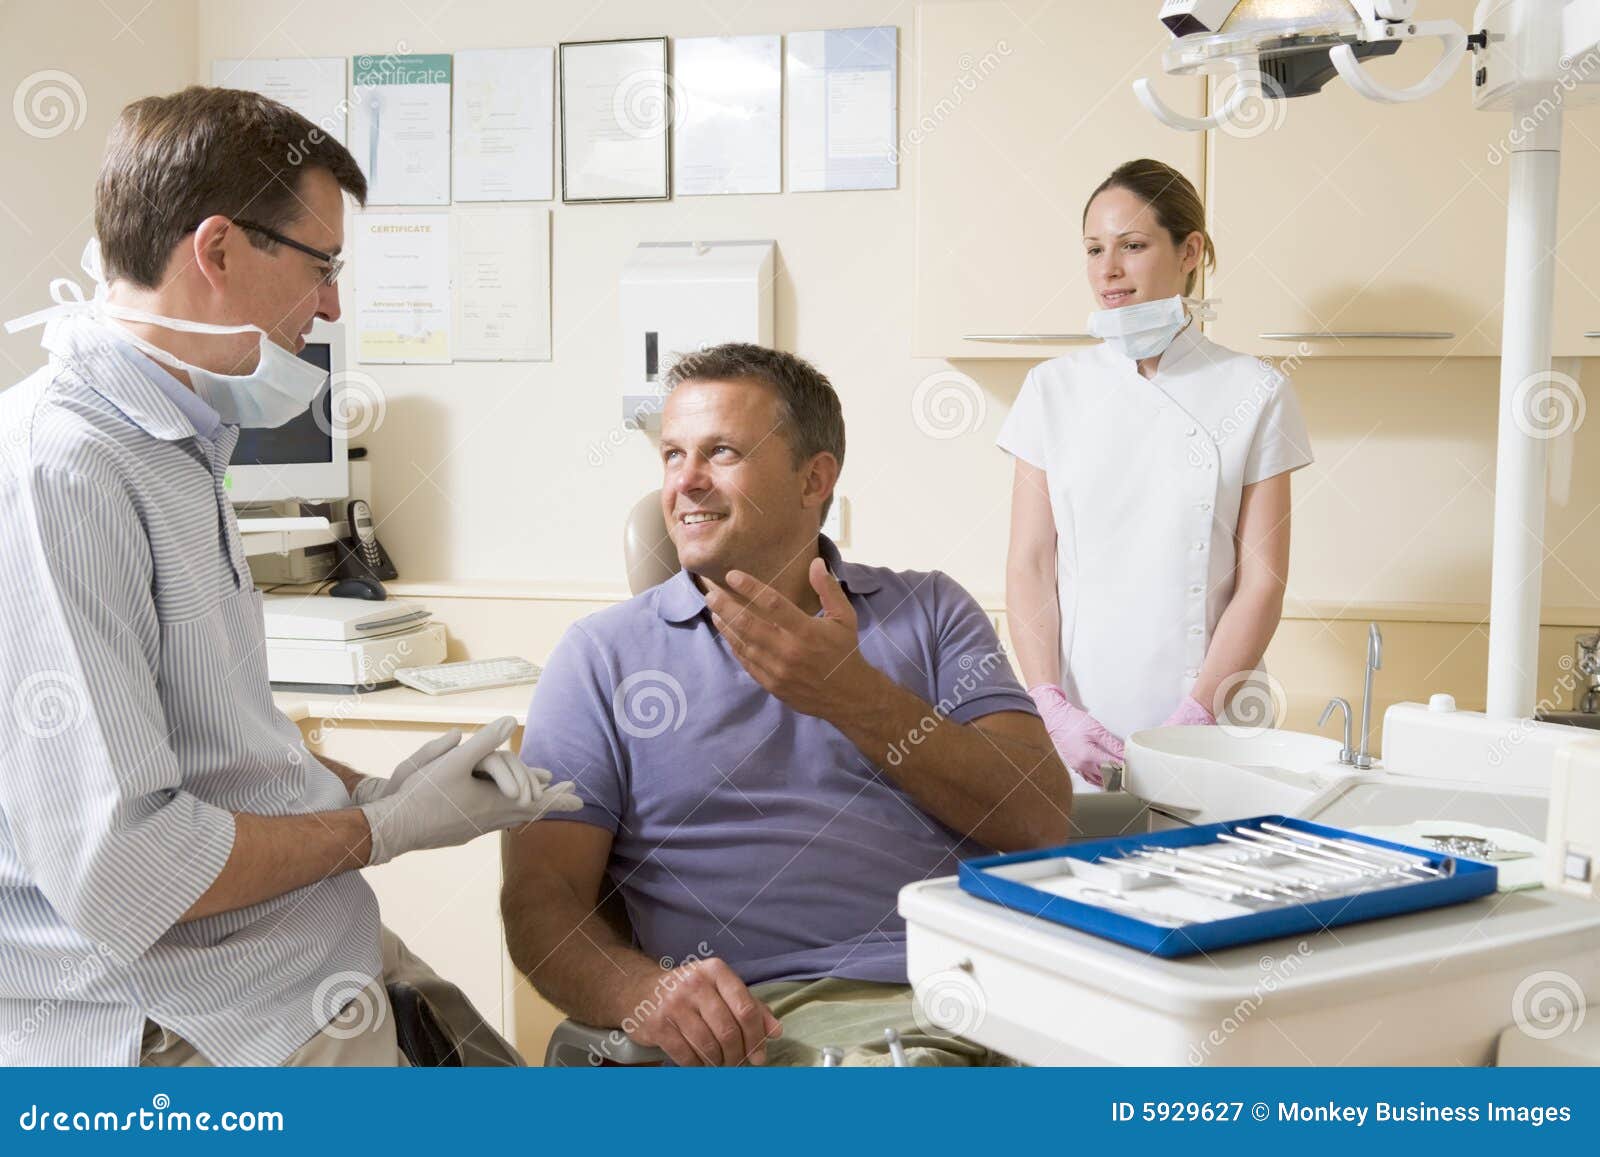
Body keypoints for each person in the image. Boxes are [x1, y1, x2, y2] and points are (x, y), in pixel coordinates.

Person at [0, 86, 579, 1067]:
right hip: (202, 1024)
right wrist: (382, 826)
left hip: (308, 957)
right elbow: (128, 866)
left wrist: (379, 784)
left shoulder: (176, 440)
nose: (333, 304)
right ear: (217, 250)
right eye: (322, 265)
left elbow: (211, 753)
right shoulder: (61, 469)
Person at [503, 343, 1072, 1066]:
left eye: (722, 452)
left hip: (988, 993)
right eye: (673, 454)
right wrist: (643, 992)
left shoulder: (931, 610)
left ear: (815, 478)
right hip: (772, 1022)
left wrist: (853, 697)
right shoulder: (600, 657)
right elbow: (539, 900)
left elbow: (1040, 817)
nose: (686, 482)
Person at [1000, 158, 1314, 789]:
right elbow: (1031, 563)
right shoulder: (1052, 389)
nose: (1107, 271)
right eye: (1093, 250)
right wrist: (1049, 704)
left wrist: (1198, 714)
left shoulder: (1255, 391)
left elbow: (1262, 582)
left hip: (1210, 722)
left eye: (1133, 246)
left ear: (1189, 251)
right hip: (1077, 722)